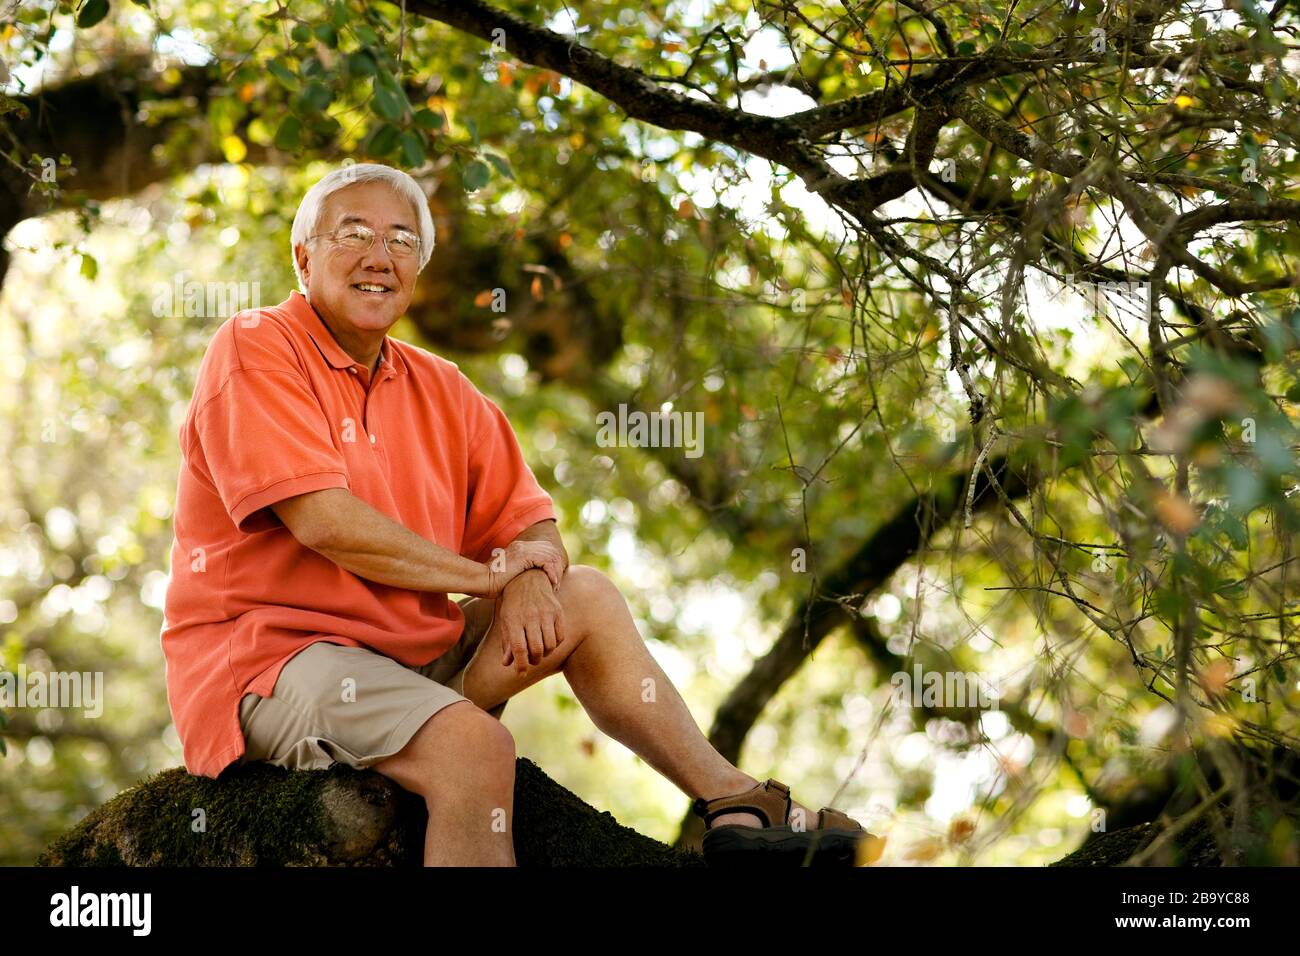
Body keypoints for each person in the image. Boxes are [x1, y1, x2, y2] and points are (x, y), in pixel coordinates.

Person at [160, 162, 869, 866]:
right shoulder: (256, 343)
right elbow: (324, 522)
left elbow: (530, 525)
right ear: (303, 256)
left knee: (583, 594)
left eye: (403, 241)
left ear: (419, 268)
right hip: (273, 664)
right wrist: (494, 578)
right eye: (353, 233)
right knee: (475, 746)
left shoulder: (443, 387)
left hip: (407, 665)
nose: (379, 257)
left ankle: (736, 802)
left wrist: (530, 575)